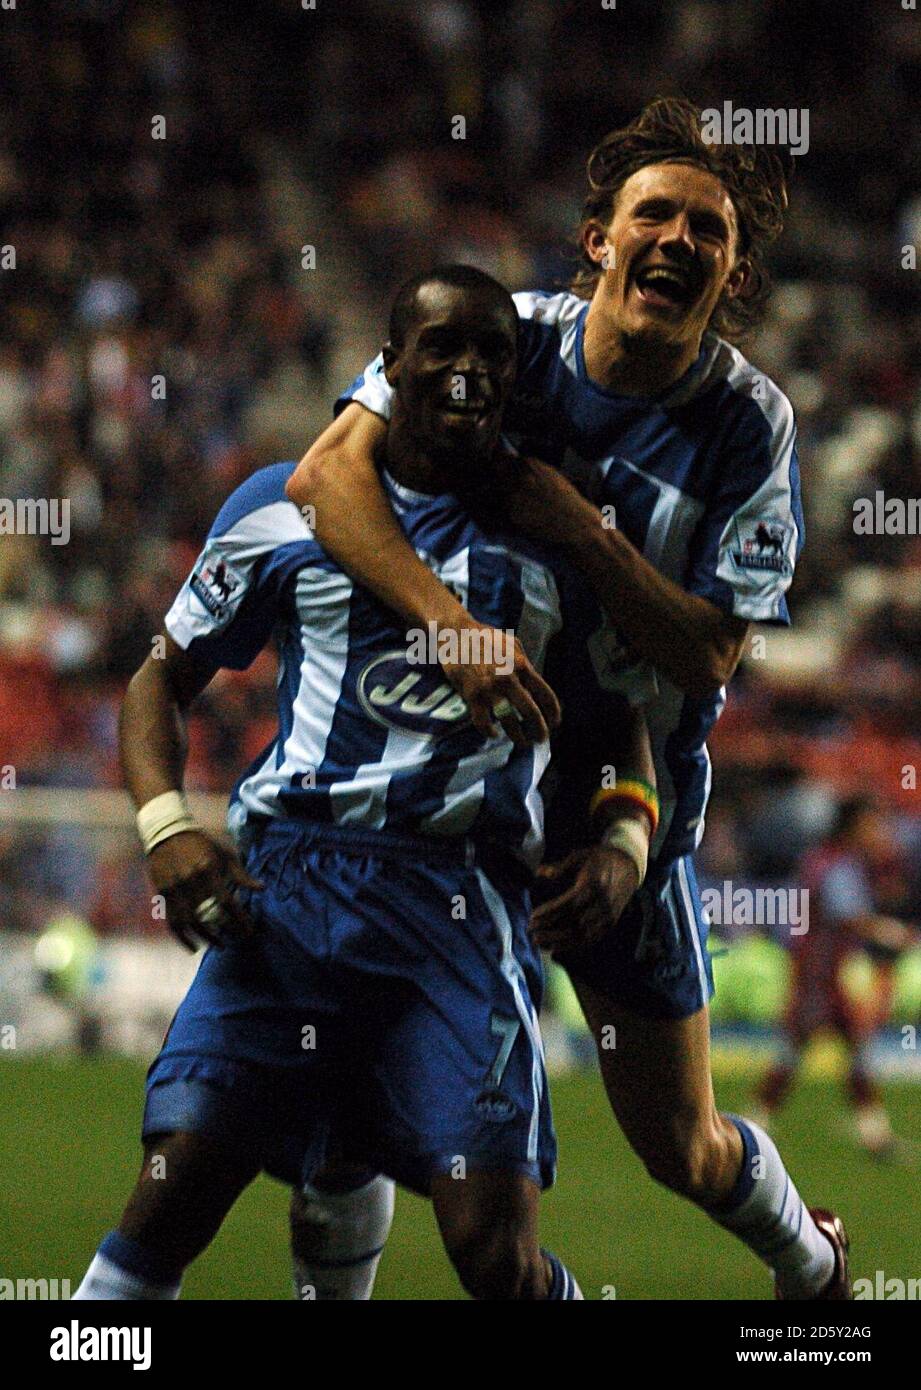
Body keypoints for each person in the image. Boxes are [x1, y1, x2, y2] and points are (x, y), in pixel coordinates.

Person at [285, 97, 851, 1299]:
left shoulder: (750, 428)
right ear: (600, 239)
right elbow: (326, 473)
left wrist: (575, 530)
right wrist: (448, 626)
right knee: (348, 1093)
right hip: (450, 789)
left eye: (710, 231)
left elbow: (708, 657)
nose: (682, 240)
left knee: (683, 1149)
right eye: (657, 213)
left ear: (732, 273)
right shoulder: (505, 339)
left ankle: (812, 1267)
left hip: (618, 800)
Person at [73, 265, 653, 1302]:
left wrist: (624, 842)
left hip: (462, 907)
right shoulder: (279, 504)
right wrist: (167, 826)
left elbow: (620, 728)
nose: (467, 371)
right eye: (442, 348)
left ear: (516, 384)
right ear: (388, 367)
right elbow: (161, 676)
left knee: (495, 1255)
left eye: (491, 355)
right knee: (174, 1191)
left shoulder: (557, 536)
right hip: (292, 896)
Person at [755, 796, 919, 1159]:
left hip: (823, 971)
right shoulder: (837, 865)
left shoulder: (824, 860)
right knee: (796, 1050)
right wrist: (889, 931)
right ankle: (753, 1128)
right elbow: (846, 916)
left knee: (851, 1048)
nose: (876, 832)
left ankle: (875, 1137)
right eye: (870, 824)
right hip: (820, 973)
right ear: (852, 826)